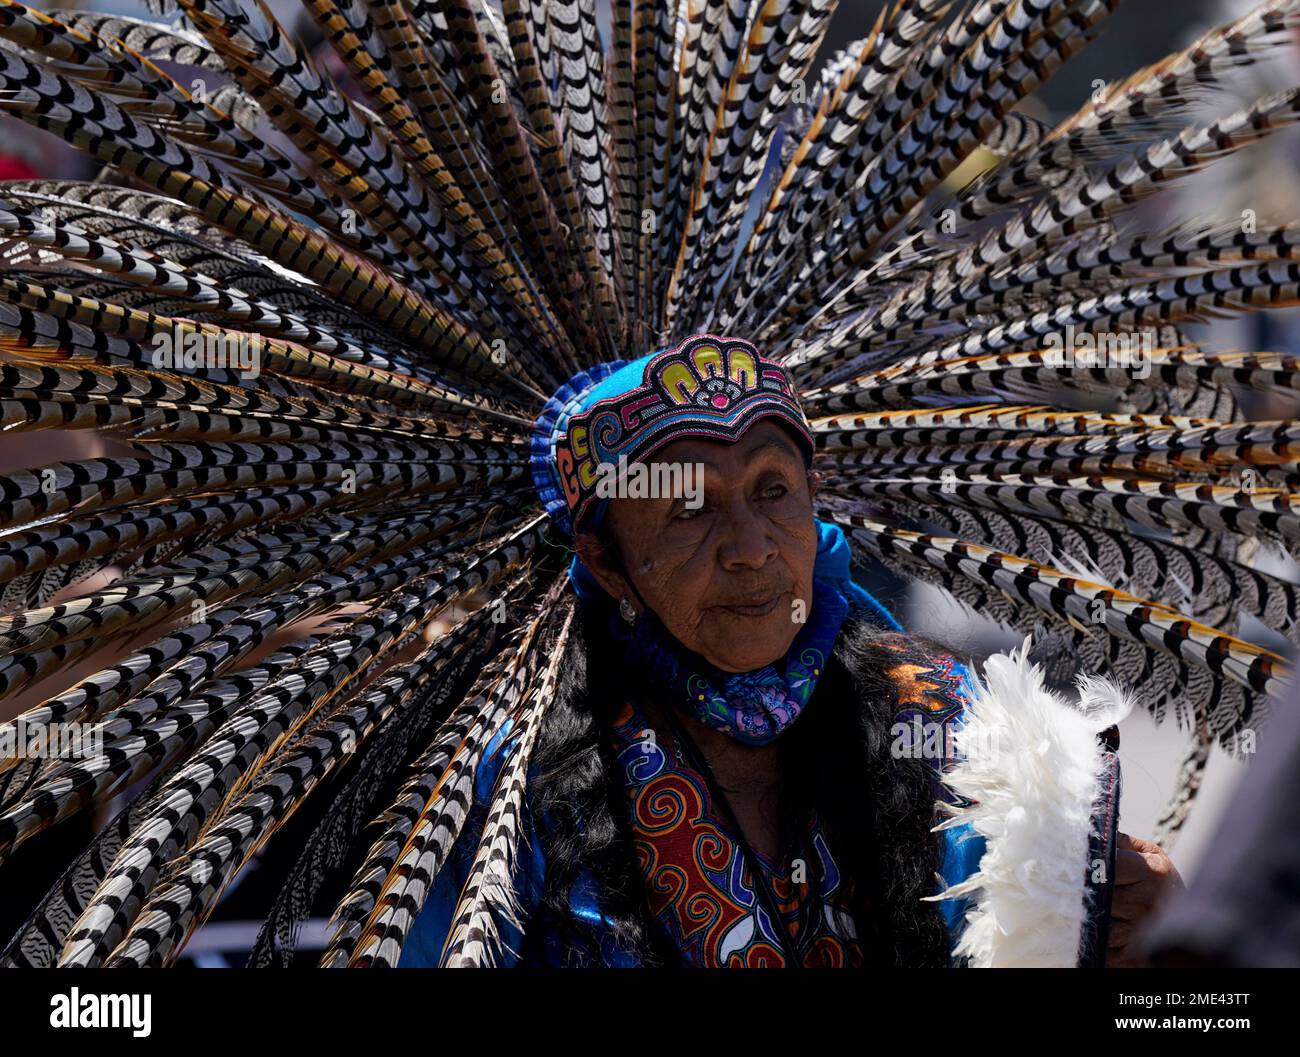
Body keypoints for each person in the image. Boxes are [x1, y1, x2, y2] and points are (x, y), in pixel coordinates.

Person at [399, 334, 1180, 968]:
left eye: (773, 490)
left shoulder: (944, 715)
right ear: (606, 559)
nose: (750, 548)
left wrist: (1135, 929)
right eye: (689, 508)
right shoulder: (516, 784)